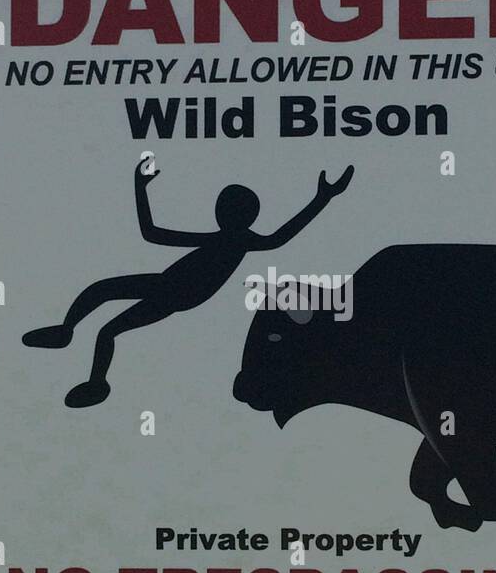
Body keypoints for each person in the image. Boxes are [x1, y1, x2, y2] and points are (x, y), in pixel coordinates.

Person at [22, 159, 355, 408]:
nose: (220, 212)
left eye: (226, 208)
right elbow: (152, 234)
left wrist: (323, 198)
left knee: (107, 316)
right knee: (103, 300)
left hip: (176, 293)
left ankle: (93, 377)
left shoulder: (238, 242)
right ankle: (69, 337)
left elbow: (281, 236)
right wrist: (140, 187)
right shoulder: (225, 239)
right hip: (170, 286)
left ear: (240, 215)